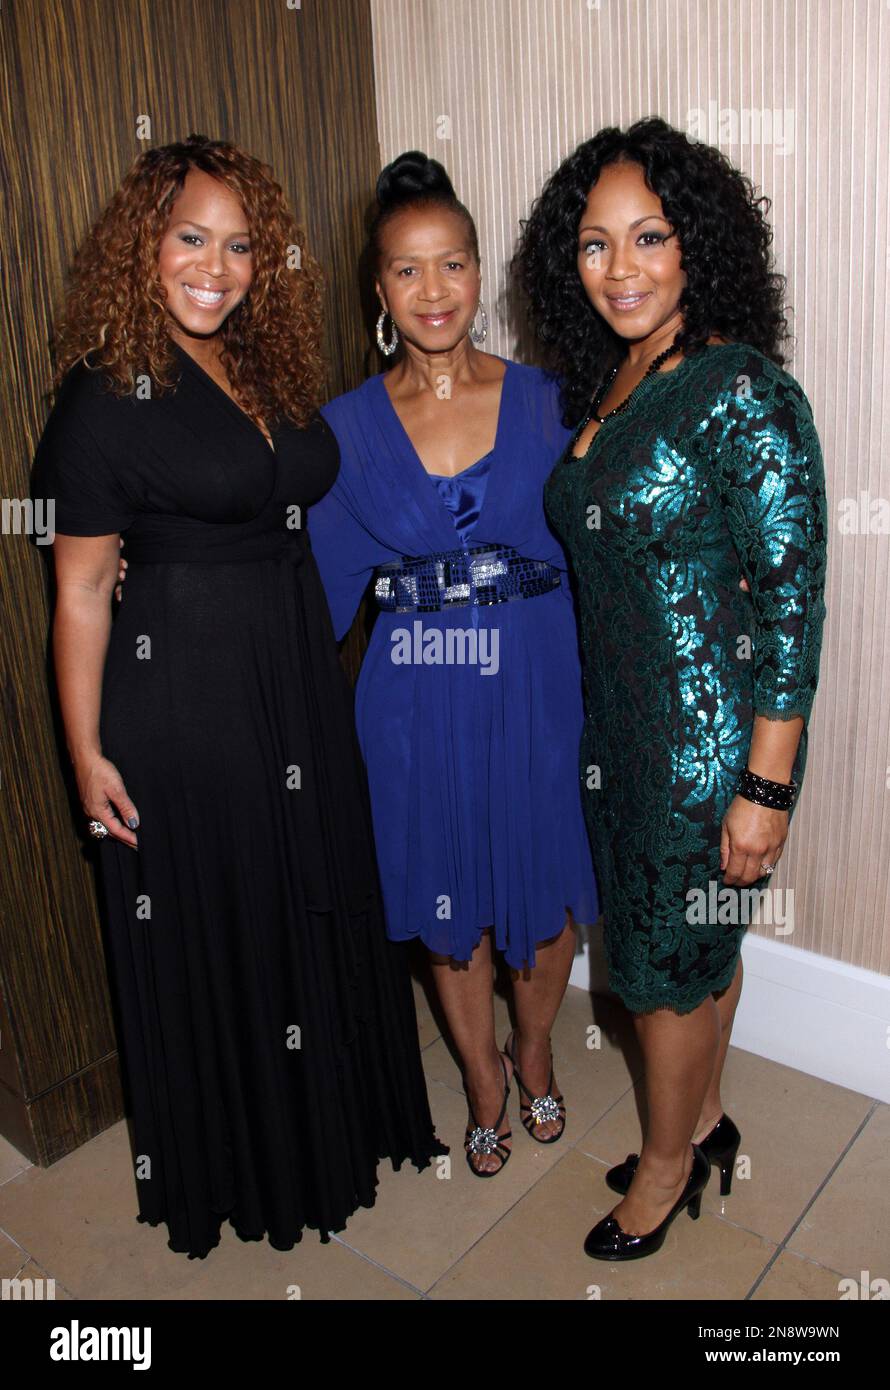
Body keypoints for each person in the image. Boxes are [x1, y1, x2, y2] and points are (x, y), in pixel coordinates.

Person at [30, 133, 446, 1260]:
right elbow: (77, 593)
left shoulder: (260, 363)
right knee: (237, 921)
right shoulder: (103, 401)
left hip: (297, 680)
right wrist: (85, 753)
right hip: (188, 701)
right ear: (142, 247)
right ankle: (258, 1160)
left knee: (309, 894)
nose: (217, 265)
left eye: (240, 244)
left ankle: (333, 1125)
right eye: (189, 238)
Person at [514, 117, 827, 1258]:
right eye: (593, 245)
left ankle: (664, 1167)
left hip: (702, 755)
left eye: (647, 237)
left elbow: (792, 601)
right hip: (624, 735)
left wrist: (763, 786)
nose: (619, 268)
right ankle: (698, 1116)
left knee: (655, 978)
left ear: (696, 244)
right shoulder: (620, 375)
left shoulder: (737, 388)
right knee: (697, 956)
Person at [306, 152, 600, 1175]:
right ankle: (480, 1079)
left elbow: (604, 550)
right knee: (445, 902)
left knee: (546, 888)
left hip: (537, 684)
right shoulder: (341, 433)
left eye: (453, 264)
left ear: (480, 274)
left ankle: (532, 1047)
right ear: (377, 289)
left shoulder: (554, 402)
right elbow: (303, 590)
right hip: (411, 700)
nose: (434, 292)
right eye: (406, 270)